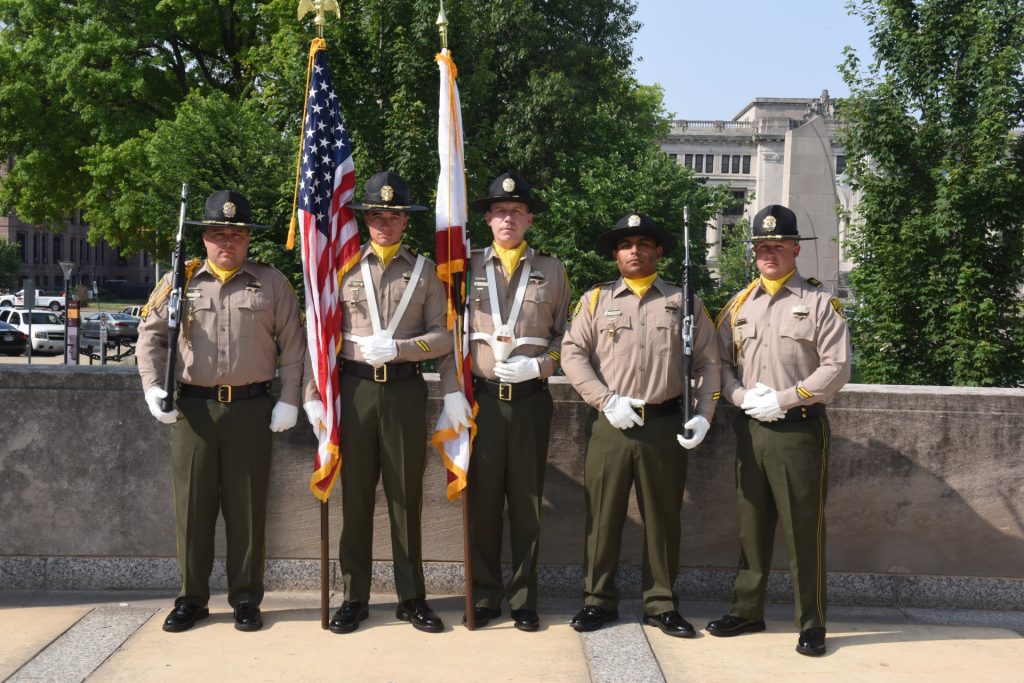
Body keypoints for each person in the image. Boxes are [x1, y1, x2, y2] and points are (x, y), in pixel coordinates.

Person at [137, 190, 305, 633]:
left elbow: (294, 347)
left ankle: (246, 598)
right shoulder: (180, 283)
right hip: (193, 412)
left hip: (251, 410)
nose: (226, 242)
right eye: (217, 234)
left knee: (247, 509)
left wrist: (290, 397)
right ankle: (191, 598)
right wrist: (153, 387)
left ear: (248, 239)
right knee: (192, 510)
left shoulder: (271, 284)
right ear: (204, 239)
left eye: (236, 233)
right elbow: (149, 339)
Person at [303, 171, 452, 634]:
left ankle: (412, 597)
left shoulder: (425, 272)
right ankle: (355, 596)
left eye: (394, 215)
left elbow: (444, 337)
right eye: (377, 215)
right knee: (356, 496)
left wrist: (405, 350)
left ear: (406, 221)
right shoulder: (341, 265)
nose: (385, 223)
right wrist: (314, 396)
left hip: (405, 388)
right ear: (364, 219)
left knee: (406, 497)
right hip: (354, 388)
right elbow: (319, 335)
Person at [561, 212, 720, 637]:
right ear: (615, 254)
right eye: (626, 244)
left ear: (659, 251)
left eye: (644, 243)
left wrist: (704, 414)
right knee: (602, 516)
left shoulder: (685, 302)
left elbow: (708, 360)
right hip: (612, 422)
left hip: (664, 423)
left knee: (664, 518)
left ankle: (662, 603)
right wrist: (604, 399)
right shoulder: (596, 300)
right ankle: (597, 600)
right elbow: (572, 353)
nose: (635, 251)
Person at [707, 204, 851, 656]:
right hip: (750, 428)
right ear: (754, 252)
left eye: (778, 245)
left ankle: (811, 622)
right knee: (751, 526)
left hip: (798, 431)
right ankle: (747, 611)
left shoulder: (818, 304)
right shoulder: (738, 305)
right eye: (762, 246)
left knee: (803, 529)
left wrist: (785, 399)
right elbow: (721, 364)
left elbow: (837, 368)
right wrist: (737, 397)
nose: (770, 253)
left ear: (795, 249)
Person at [439, 172, 570, 632]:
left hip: (532, 399)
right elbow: (449, 330)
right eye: (499, 211)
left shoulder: (552, 270)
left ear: (529, 218)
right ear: (488, 219)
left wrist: (542, 366)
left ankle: (524, 598)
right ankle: (486, 594)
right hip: (483, 403)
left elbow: (566, 335)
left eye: (516, 211)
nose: (507, 218)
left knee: (528, 502)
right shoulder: (466, 266)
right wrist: (452, 390)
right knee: (484, 503)